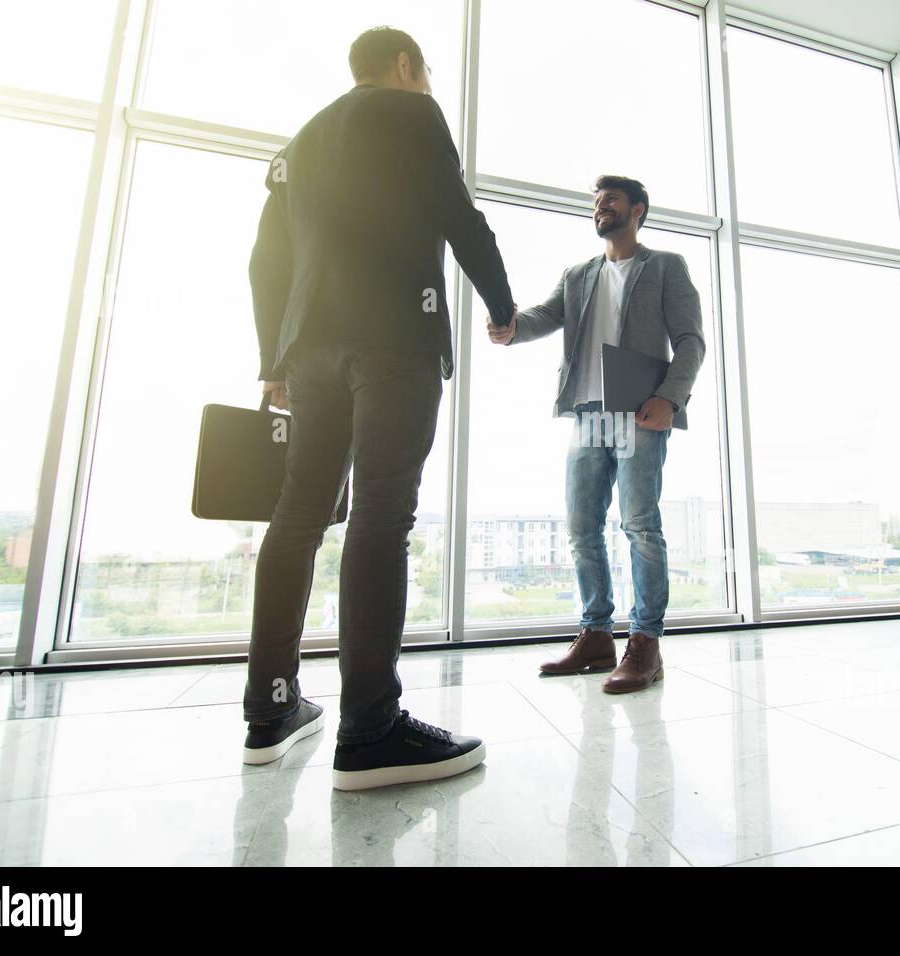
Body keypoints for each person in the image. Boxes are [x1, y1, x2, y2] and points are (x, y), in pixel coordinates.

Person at [243, 27, 516, 791]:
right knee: (382, 513)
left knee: (298, 515)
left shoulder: (301, 139)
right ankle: (370, 727)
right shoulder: (412, 114)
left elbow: (266, 261)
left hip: (310, 348)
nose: (428, 82)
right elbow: (460, 215)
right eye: (426, 70)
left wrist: (274, 360)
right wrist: (500, 304)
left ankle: (270, 708)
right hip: (393, 335)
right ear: (404, 66)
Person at [487, 176, 705, 693]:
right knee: (582, 530)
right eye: (596, 204)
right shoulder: (579, 274)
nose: (600, 209)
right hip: (587, 413)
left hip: (637, 413)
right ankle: (596, 636)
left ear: (638, 210)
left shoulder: (666, 268)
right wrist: (514, 326)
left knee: (640, 527)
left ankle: (645, 643)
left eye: (610, 202)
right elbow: (546, 315)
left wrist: (668, 398)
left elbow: (692, 340)